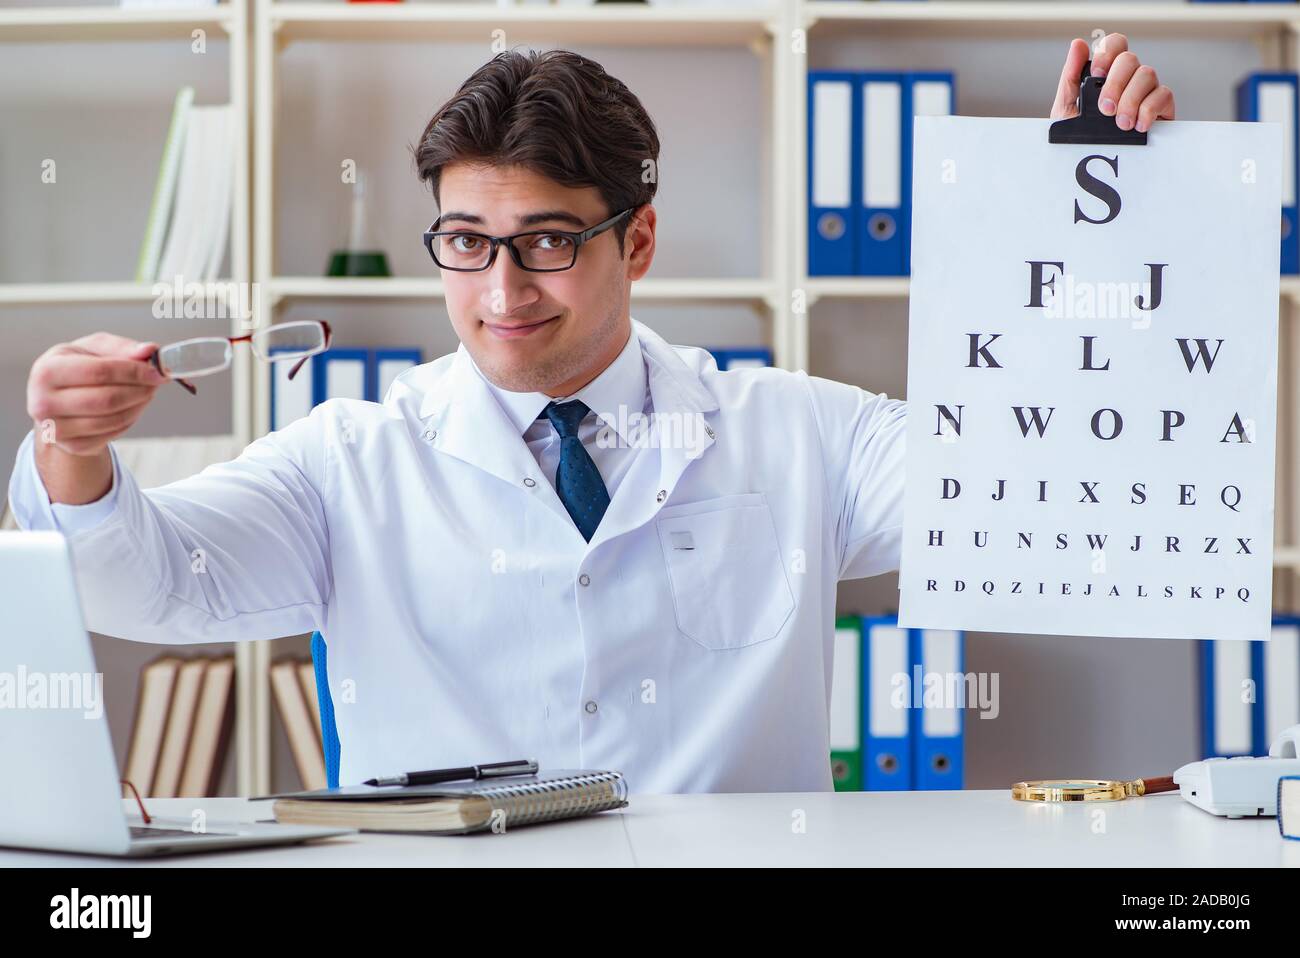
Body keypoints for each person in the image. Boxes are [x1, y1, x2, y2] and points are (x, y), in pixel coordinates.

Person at [8, 36, 1174, 792]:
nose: (502, 294)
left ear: (641, 240)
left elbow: (1045, 480)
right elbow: (136, 585)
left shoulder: (799, 433)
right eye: (466, 245)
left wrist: (1083, 214)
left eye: (550, 244)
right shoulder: (350, 461)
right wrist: (73, 451)